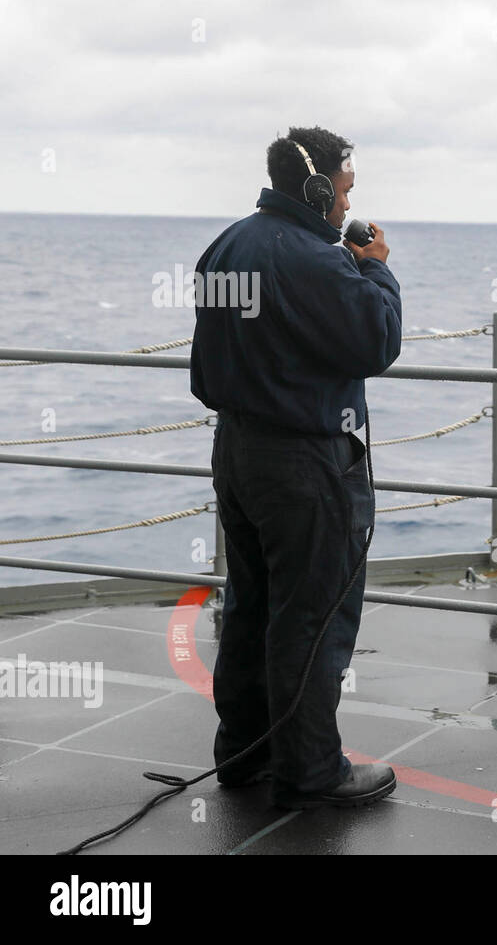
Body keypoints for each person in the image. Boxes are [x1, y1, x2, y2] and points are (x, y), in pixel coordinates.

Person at [190, 125, 402, 809]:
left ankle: (245, 754)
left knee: (252, 607)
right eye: (343, 190)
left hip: (238, 454)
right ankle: (311, 770)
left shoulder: (224, 247)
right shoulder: (318, 260)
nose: (346, 204)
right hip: (306, 465)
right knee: (311, 618)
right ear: (315, 188)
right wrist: (375, 266)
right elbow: (375, 340)